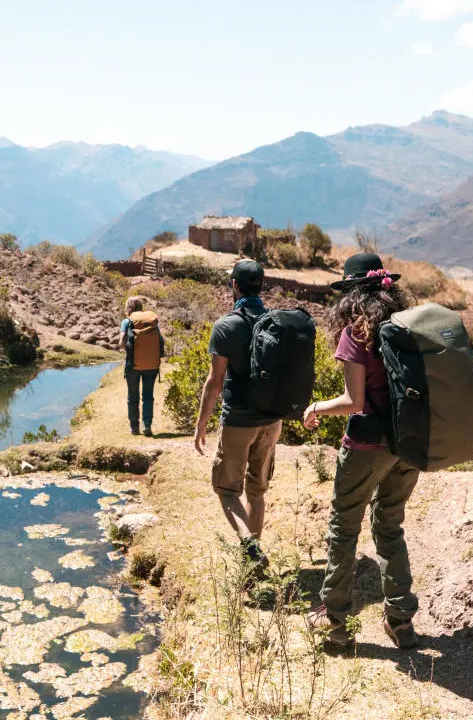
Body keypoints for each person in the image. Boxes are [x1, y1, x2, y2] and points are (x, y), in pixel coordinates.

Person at [302, 252, 419, 650]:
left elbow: (354, 401)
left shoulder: (356, 333)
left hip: (368, 443)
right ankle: (401, 619)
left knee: (343, 528)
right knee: (389, 525)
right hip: (409, 443)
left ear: (351, 294)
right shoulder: (408, 329)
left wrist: (316, 407)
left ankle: (334, 619)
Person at [193, 259, 279, 569]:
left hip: (239, 421)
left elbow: (215, 382)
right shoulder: (276, 322)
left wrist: (201, 424)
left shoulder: (226, 326)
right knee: (256, 490)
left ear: (234, 285)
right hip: (272, 421)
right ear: (261, 286)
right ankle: (252, 564)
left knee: (227, 490)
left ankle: (249, 546)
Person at [118, 296, 164, 436]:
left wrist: (129, 350)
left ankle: (134, 427)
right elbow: (161, 341)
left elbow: (121, 342)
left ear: (129, 308)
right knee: (148, 396)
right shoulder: (151, 322)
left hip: (133, 366)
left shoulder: (127, 321)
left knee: (133, 397)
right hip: (151, 366)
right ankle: (147, 426)